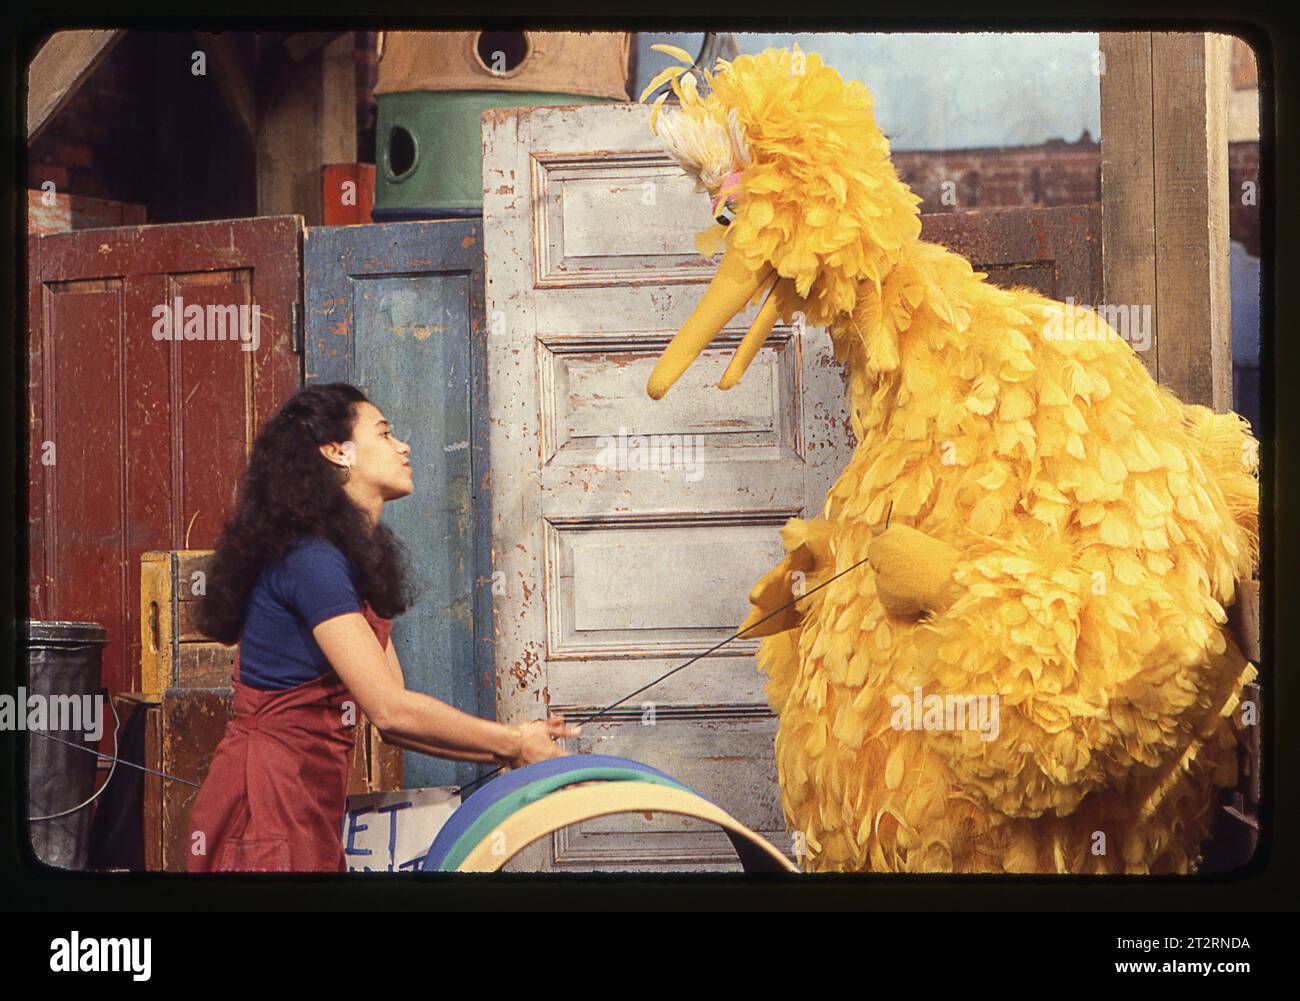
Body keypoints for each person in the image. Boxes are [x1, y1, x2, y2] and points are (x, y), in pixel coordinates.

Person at [187, 382, 576, 872]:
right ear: (338, 452)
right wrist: (513, 741)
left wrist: (511, 749)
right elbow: (390, 711)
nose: (403, 446)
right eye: (385, 433)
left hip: (305, 803)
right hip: (264, 810)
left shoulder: (344, 558)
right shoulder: (309, 560)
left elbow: (396, 720)